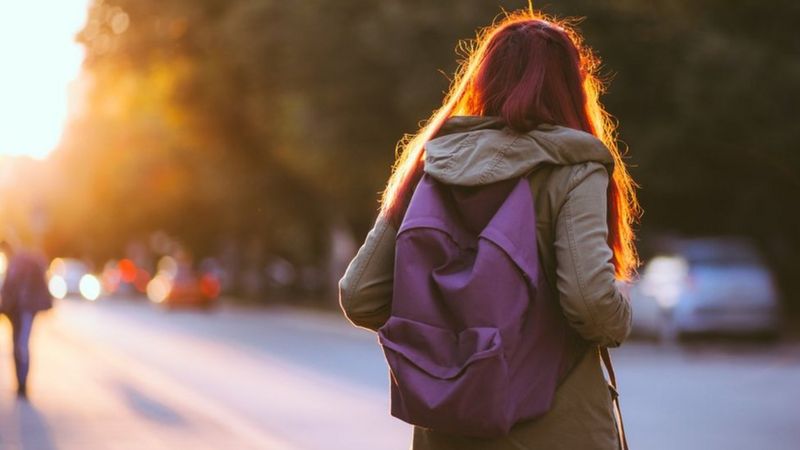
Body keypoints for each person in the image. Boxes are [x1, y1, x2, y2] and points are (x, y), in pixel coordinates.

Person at [339, 8, 639, 450]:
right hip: (557, 429)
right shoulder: (575, 167)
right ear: (571, 87)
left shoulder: (431, 164)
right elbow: (589, 301)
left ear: (484, 79)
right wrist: (620, 318)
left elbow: (359, 294)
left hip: (450, 430)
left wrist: (453, 334)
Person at [0, 242, 53, 398]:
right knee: (20, 344)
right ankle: (21, 383)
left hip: (22, 310)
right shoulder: (19, 261)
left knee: (20, 345)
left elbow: (11, 288)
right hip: (22, 310)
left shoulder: (17, 263)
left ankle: (22, 384)